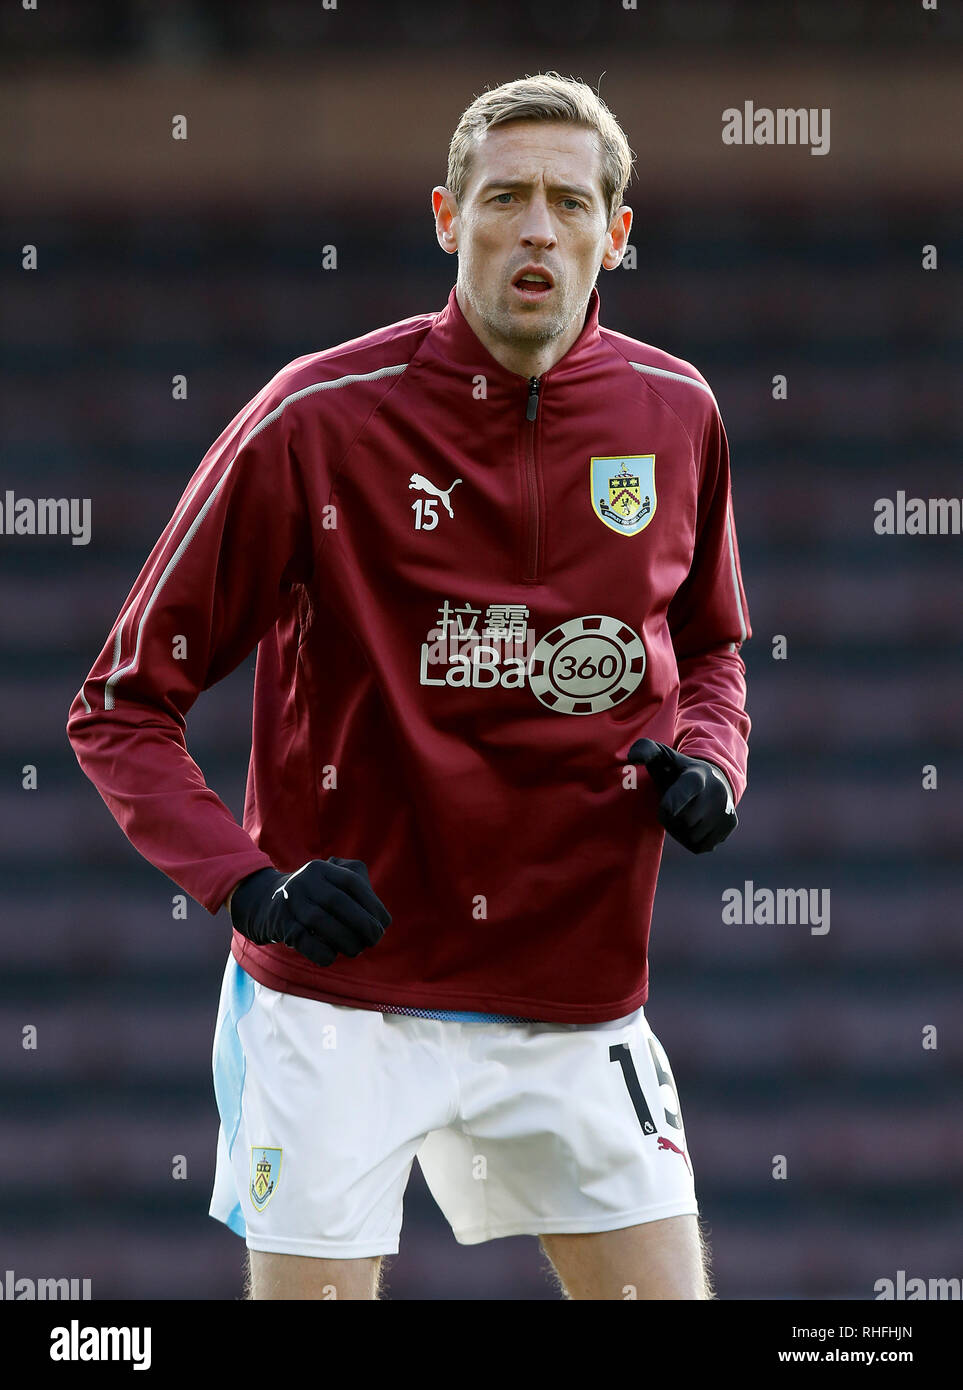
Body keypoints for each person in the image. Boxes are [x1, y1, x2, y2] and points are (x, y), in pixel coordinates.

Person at [66, 70, 751, 1301]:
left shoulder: (678, 411)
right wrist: (255, 890)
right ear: (448, 218)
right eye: (505, 199)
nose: (537, 227)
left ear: (616, 234)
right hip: (343, 1006)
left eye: (568, 202)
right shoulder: (313, 419)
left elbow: (710, 649)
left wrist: (711, 759)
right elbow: (121, 703)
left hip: (575, 995)